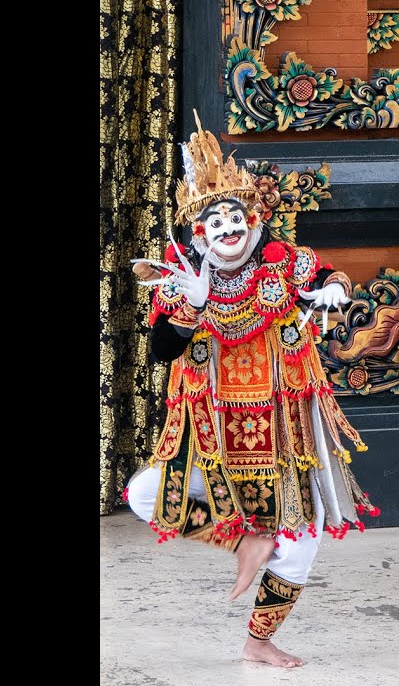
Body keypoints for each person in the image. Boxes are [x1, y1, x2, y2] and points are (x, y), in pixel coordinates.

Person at [125, 119, 377, 668]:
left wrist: (331, 291)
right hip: (212, 439)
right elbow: (162, 348)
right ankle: (242, 545)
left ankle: (258, 641)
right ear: (199, 236)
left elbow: (332, 276)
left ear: (253, 222)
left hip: (284, 440)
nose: (228, 227)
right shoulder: (181, 280)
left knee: (303, 542)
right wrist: (192, 306)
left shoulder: (282, 264)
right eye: (215, 221)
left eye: (236, 217)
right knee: (144, 495)